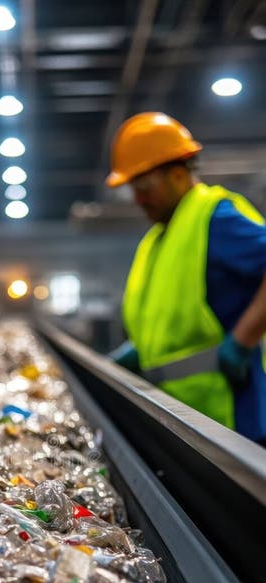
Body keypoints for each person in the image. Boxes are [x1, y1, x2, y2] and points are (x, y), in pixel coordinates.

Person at [107, 112, 266, 444]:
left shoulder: (214, 218)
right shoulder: (160, 238)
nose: (138, 199)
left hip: (231, 415)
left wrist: (242, 340)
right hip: (184, 418)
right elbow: (173, 314)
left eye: (145, 187)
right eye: (132, 190)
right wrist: (142, 350)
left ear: (178, 174)